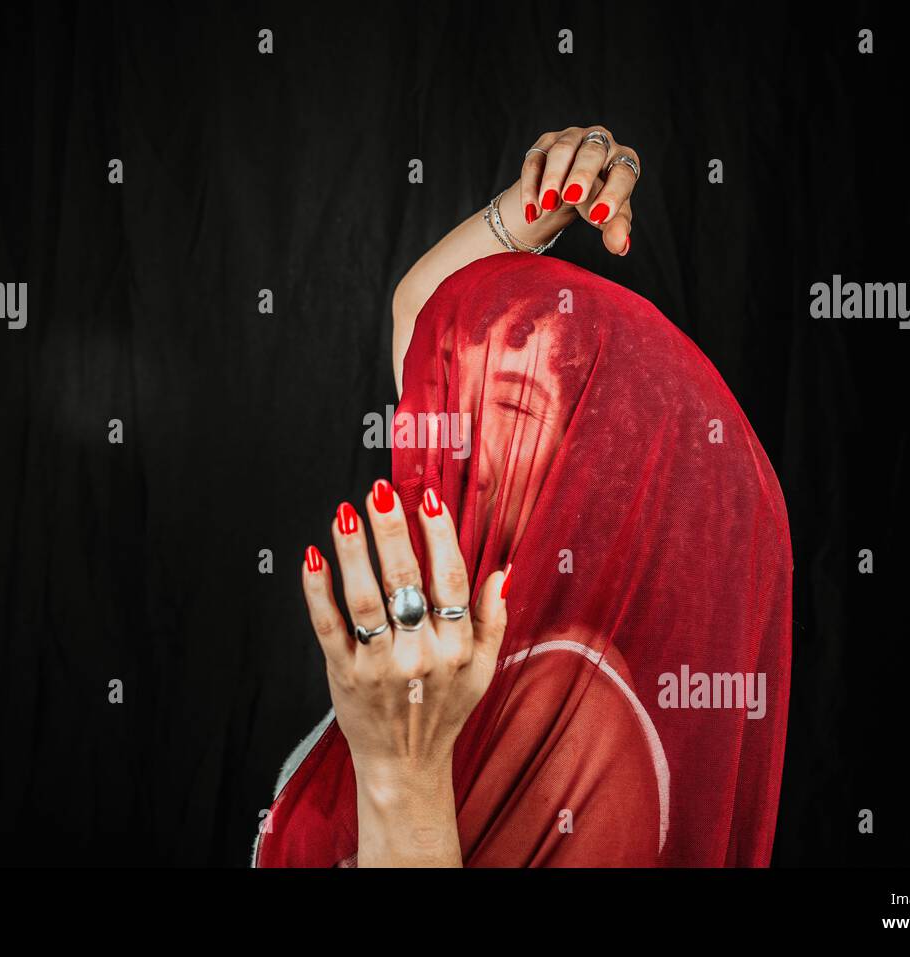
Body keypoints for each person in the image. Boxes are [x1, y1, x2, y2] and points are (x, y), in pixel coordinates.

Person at [253, 126, 792, 867]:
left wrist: (401, 773)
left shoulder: (595, 743)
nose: (449, 442)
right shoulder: (450, 652)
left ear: (594, 482)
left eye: (498, 411)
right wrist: (536, 207)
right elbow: (423, 312)